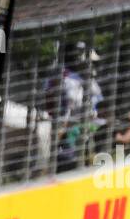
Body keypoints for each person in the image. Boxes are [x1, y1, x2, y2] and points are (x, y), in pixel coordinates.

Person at [43, 41, 105, 171]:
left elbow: (99, 104)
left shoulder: (87, 79)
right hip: (64, 127)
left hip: (86, 125)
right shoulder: (63, 77)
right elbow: (67, 107)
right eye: (89, 62)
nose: (92, 66)